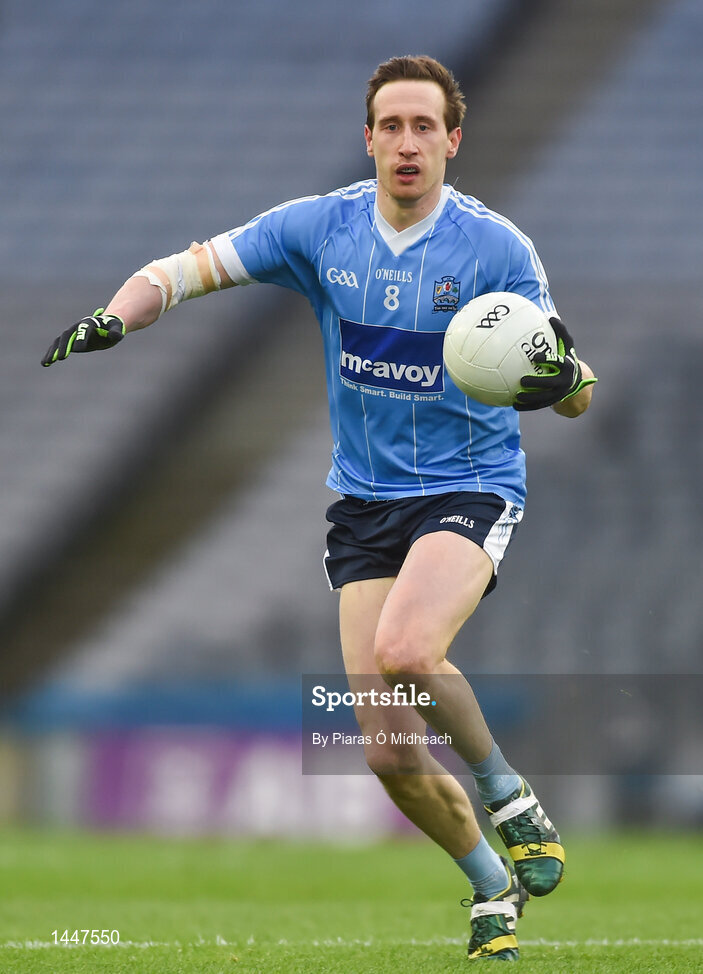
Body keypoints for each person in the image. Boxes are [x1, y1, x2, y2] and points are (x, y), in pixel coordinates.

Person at [42, 55, 596, 962]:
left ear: (453, 140)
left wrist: (560, 380)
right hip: (365, 503)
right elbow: (186, 268)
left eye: (425, 126)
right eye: (392, 126)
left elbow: (570, 392)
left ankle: (508, 794)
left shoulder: (499, 249)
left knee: (409, 651)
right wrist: (115, 314)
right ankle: (488, 884)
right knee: (384, 752)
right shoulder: (319, 229)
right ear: (369, 137)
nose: (408, 143)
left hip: (469, 483)